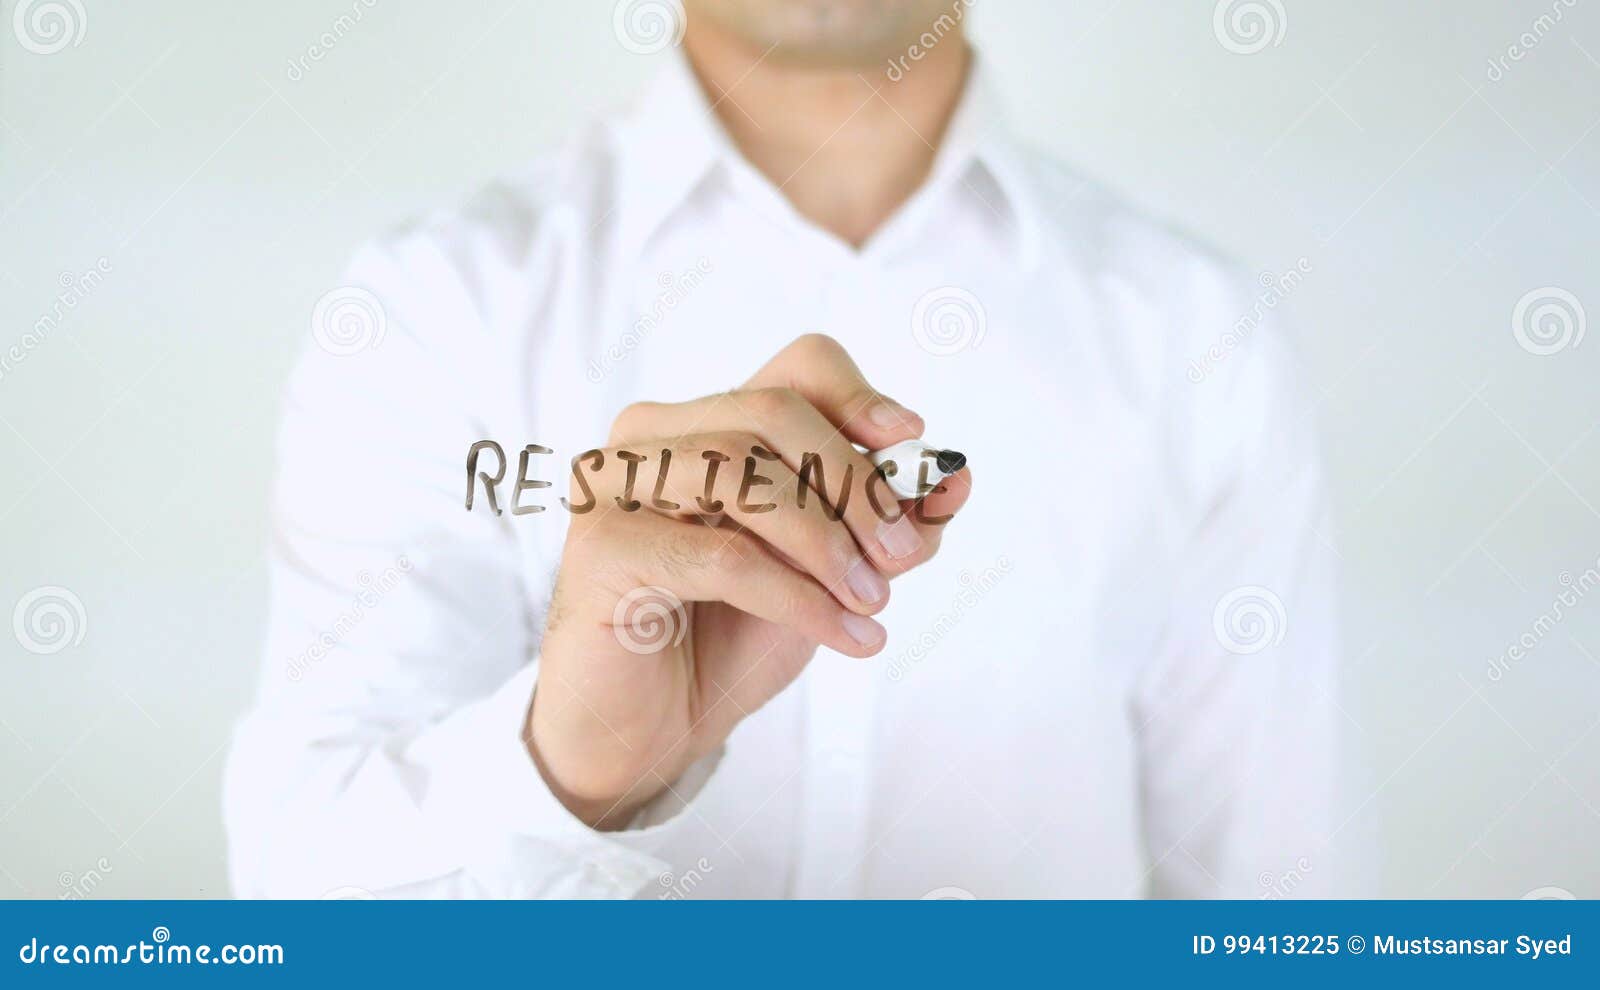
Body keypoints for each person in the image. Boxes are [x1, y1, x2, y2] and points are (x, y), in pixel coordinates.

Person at [224, 0, 1351, 898]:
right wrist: (575, 770)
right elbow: (301, 915)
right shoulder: (431, 308)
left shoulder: (1202, 339)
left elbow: (1287, 916)